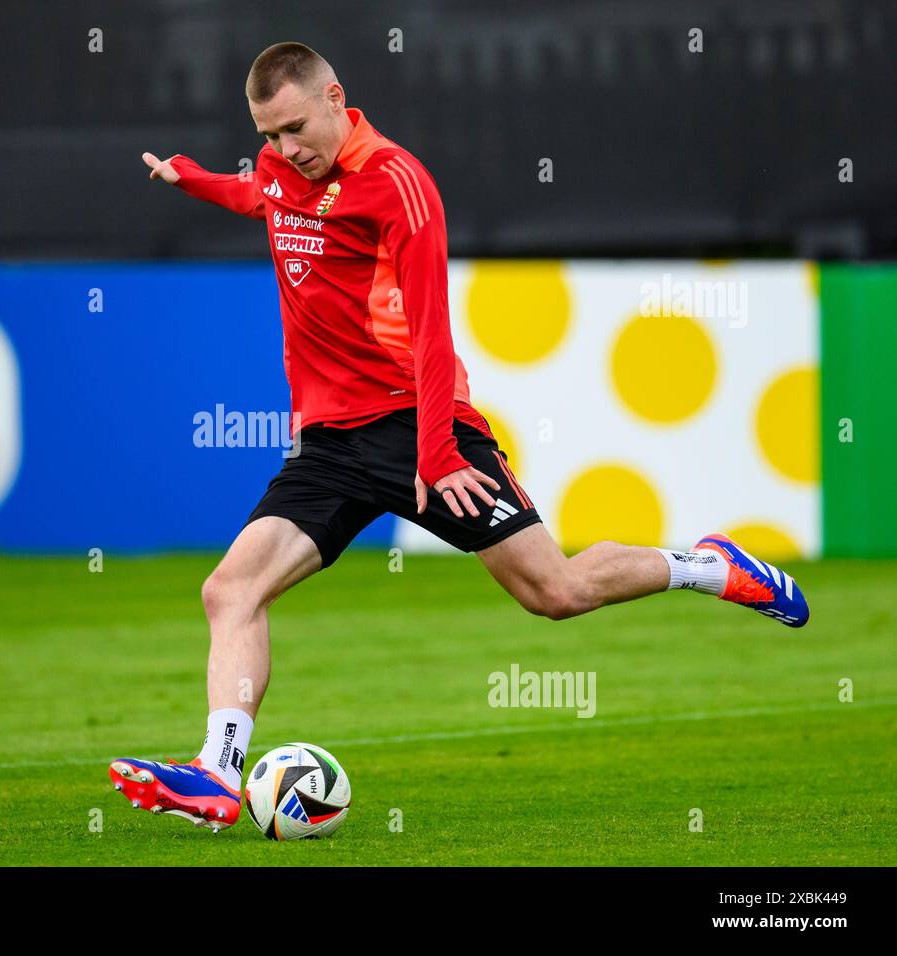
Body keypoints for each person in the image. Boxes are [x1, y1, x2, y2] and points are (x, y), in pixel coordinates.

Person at [110, 42, 809, 833]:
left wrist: (438, 452)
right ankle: (216, 772)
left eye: (296, 128)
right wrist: (190, 176)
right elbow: (257, 194)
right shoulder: (283, 170)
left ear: (336, 97)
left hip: (419, 426)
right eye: (269, 135)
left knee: (556, 592)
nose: (284, 150)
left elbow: (433, 335)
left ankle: (710, 567)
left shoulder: (399, 185)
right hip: (330, 443)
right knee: (229, 590)